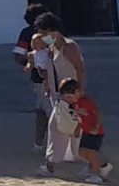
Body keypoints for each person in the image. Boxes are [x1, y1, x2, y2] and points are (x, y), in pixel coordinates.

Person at [27, 14, 86, 170]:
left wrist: (80, 91)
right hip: (57, 94)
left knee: (57, 128)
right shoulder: (52, 48)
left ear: (53, 31)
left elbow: (80, 68)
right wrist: (46, 82)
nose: (43, 37)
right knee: (68, 130)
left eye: (44, 33)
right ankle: (91, 163)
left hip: (70, 96)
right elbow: (50, 71)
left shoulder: (69, 47)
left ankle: (51, 164)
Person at [48, 77, 115, 183]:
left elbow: (98, 114)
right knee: (82, 152)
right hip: (86, 131)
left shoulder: (86, 102)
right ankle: (101, 166)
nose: (69, 100)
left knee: (91, 153)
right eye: (67, 98)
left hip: (94, 132)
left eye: (70, 97)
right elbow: (79, 118)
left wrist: (96, 128)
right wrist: (77, 129)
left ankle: (96, 175)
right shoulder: (75, 104)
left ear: (77, 92)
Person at [14, 2, 50, 150]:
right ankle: (48, 144)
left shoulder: (27, 33)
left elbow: (18, 56)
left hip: (38, 79)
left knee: (43, 111)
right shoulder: (53, 33)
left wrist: (30, 62)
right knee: (47, 110)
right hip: (57, 77)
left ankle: (41, 143)